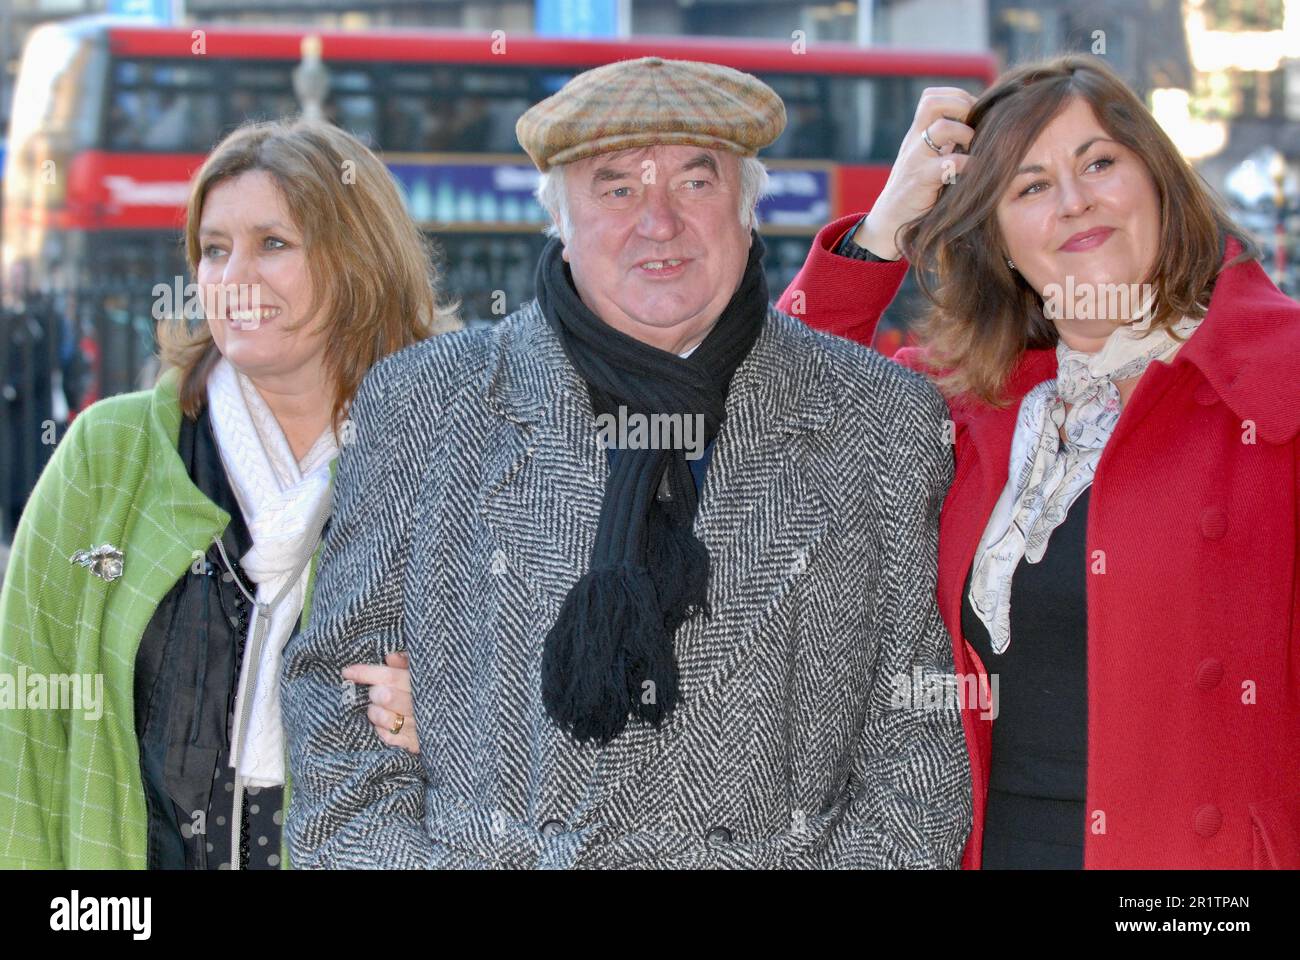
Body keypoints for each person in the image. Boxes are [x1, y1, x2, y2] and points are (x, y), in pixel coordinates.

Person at [283, 56, 971, 869]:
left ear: (748, 209)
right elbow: (334, 708)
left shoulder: (880, 419)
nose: (659, 222)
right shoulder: (425, 405)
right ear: (559, 221)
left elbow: (918, 747)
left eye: (695, 181)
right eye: (616, 187)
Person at [779, 54, 1300, 869]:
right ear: (1001, 243)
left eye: (1099, 163)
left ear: (1160, 185)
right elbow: (771, 430)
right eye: (1028, 187)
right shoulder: (960, 411)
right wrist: (883, 230)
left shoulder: (1276, 382)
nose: (1073, 201)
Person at [0, 118, 455, 869]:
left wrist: (443, 720)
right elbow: (24, 730)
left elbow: (542, 748)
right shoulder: (109, 455)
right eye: (214, 250)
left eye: (272, 244)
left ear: (359, 260)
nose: (233, 276)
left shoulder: (451, 464)